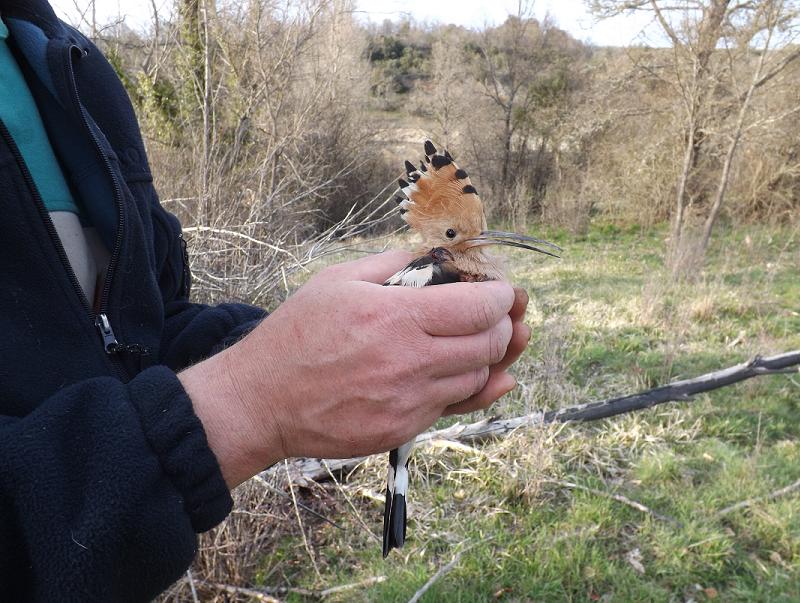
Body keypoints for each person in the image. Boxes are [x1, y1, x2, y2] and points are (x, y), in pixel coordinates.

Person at [0, 0, 531, 600]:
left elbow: (146, 327)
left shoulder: (58, 58)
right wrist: (254, 401)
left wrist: (300, 354)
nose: (482, 248)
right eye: (461, 236)